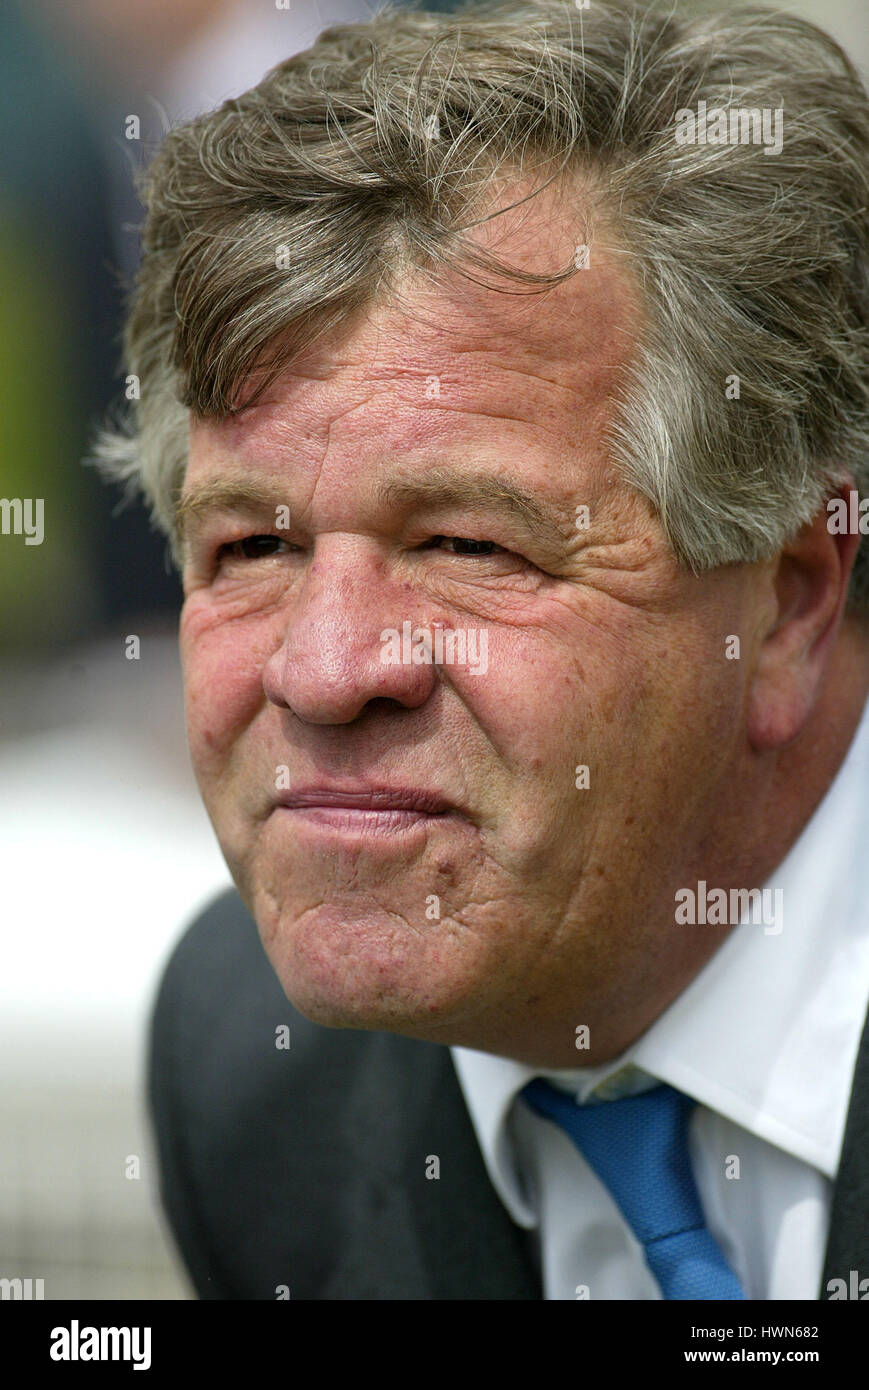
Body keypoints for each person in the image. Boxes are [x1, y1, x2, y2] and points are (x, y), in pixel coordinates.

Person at [98, 0, 869, 1299]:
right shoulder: (249, 1069)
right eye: (251, 548)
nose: (326, 669)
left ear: (786, 604)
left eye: (465, 546)